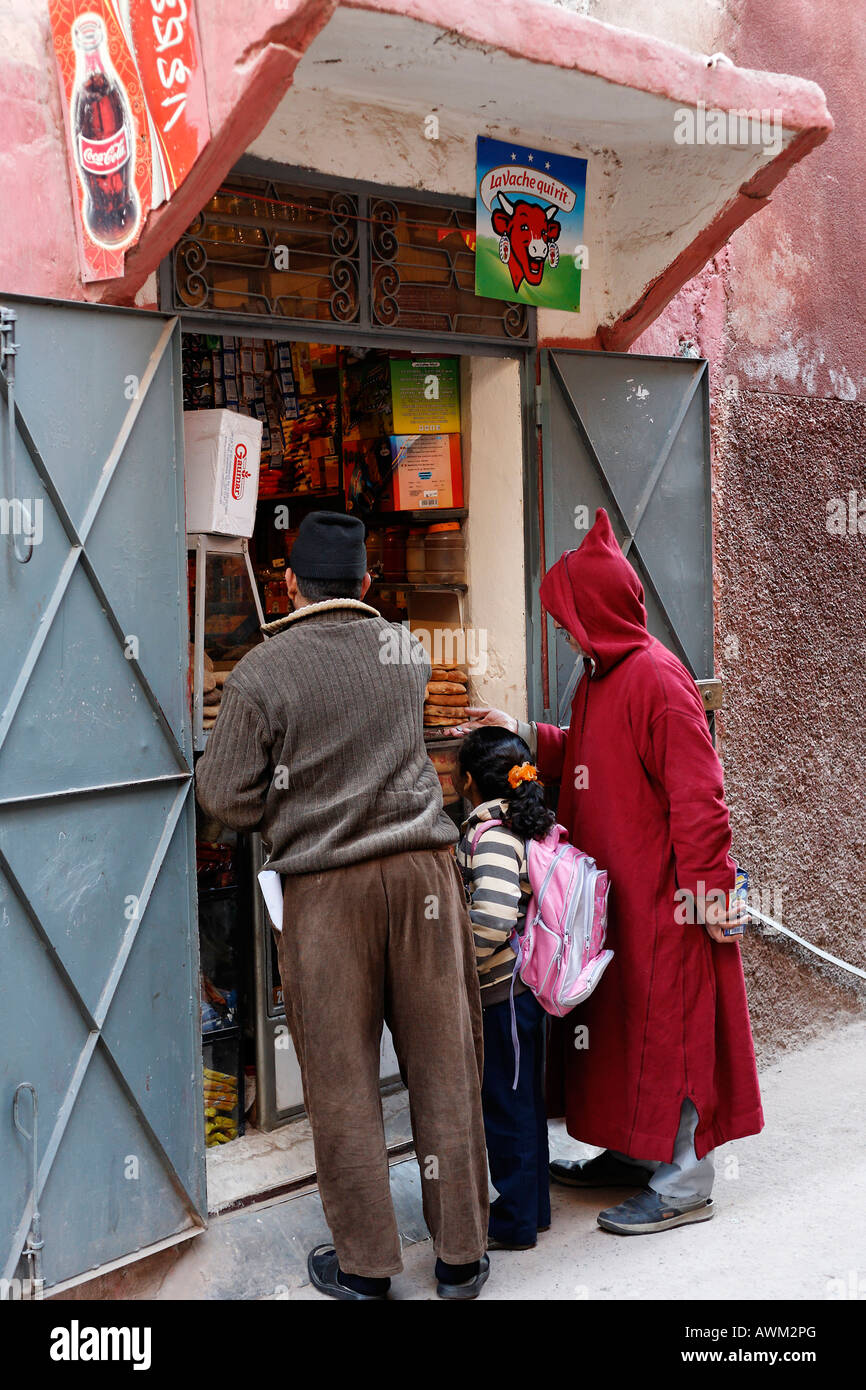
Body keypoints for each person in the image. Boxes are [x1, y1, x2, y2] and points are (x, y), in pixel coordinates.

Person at [196, 511, 490, 1299]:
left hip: (327, 893)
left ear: (289, 584)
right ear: (366, 582)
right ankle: (461, 1255)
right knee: (443, 1063)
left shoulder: (262, 671)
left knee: (342, 1077)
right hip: (424, 877)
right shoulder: (406, 651)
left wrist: (289, 800)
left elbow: (223, 792)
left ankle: (366, 1267)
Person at [452, 507, 763, 1236]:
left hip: (667, 902)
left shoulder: (660, 680)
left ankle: (685, 1184)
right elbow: (585, 749)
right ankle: (635, 1151)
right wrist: (523, 734)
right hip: (612, 899)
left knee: (675, 1036)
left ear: (598, 613)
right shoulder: (600, 677)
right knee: (624, 1031)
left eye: (569, 621)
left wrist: (711, 896)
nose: (564, 634)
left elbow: (699, 799)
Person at [455, 728, 553, 1251]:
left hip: (501, 997)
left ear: (467, 779)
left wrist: (456, 966)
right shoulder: (517, 823)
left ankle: (513, 1221)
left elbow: (492, 918)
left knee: (505, 1108)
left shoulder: (489, 835)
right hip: (523, 994)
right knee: (524, 1105)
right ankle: (531, 1209)